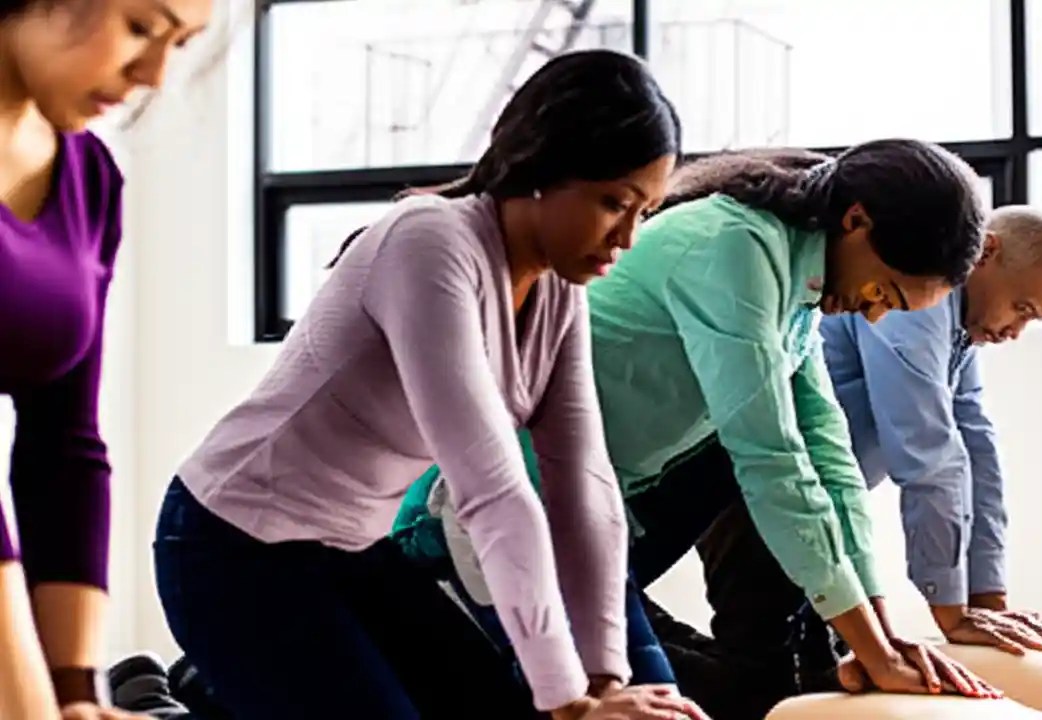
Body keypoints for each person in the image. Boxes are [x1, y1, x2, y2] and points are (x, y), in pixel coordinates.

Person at [151, 48, 703, 720]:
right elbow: (492, 489)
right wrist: (569, 705)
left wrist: (605, 678)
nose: (628, 237)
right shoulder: (429, 243)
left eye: (644, 211)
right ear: (542, 168)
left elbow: (583, 487)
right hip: (232, 543)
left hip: (353, 548)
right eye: (613, 203)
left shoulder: (560, 292)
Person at [400, 143, 1000, 718]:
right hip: (492, 523)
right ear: (856, 221)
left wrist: (883, 639)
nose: (874, 313)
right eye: (882, 291)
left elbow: (829, 456)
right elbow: (772, 459)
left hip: (596, 525)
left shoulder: (798, 286)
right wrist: (873, 651)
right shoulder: (735, 248)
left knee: (725, 690)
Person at [647, 204, 1042, 718]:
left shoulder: (959, 329)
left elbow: (975, 448)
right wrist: (952, 613)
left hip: (819, 507)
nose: (1016, 331)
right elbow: (927, 455)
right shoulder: (913, 297)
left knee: (818, 677)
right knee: (766, 681)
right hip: (760, 496)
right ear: (986, 251)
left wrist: (987, 601)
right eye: (1022, 308)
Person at [1, 2, 211, 719]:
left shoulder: (89, 179)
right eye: (141, 28)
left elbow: (64, 447)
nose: (154, 75)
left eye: (180, 44)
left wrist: (73, 690)